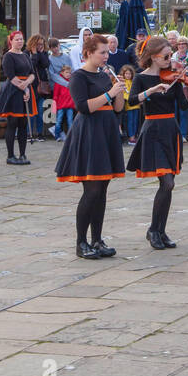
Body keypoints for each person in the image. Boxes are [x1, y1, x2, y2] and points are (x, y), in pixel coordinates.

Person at [127, 37, 188, 249]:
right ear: (153, 56)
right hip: (153, 129)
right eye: (166, 56)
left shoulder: (173, 79)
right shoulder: (141, 78)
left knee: (168, 184)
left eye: (170, 55)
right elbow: (132, 100)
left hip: (170, 130)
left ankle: (160, 230)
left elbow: (184, 105)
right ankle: (153, 230)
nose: (170, 60)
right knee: (167, 183)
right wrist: (151, 91)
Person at [55, 33, 126, 259]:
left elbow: (118, 108)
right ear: (88, 53)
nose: (106, 56)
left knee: (102, 190)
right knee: (92, 190)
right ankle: (81, 242)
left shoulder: (105, 75)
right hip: (89, 132)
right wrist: (109, 93)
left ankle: (97, 239)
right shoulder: (79, 76)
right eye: (102, 53)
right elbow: (84, 107)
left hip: (106, 131)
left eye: (107, 52)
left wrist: (119, 91)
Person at [0, 30, 36, 165]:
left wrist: (27, 85)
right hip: (13, 91)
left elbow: (32, 74)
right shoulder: (8, 56)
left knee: (23, 124)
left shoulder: (26, 56)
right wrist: (24, 88)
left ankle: (23, 154)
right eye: (17, 39)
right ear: (11, 41)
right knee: (12, 123)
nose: (20, 41)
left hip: (25, 89)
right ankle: (10, 156)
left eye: (21, 39)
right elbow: (11, 76)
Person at [27, 35, 51, 143]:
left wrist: (40, 53)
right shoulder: (27, 53)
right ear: (33, 44)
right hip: (31, 86)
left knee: (40, 112)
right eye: (38, 44)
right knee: (31, 112)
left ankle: (40, 134)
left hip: (41, 88)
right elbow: (31, 66)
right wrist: (35, 54)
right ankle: (29, 133)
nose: (40, 46)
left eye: (42, 44)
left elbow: (46, 64)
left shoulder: (44, 53)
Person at [52, 65, 76, 141]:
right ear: (62, 73)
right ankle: (57, 136)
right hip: (61, 106)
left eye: (70, 73)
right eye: (66, 72)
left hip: (70, 105)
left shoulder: (72, 82)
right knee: (59, 121)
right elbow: (55, 95)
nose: (68, 74)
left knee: (70, 121)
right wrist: (54, 105)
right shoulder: (59, 82)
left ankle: (70, 137)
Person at [121, 64, 140, 144]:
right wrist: (130, 98)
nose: (128, 75)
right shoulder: (123, 82)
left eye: (129, 74)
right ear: (123, 74)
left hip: (136, 105)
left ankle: (134, 136)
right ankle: (131, 137)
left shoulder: (134, 82)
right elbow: (124, 94)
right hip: (128, 105)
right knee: (130, 121)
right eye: (126, 73)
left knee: (135, 121)